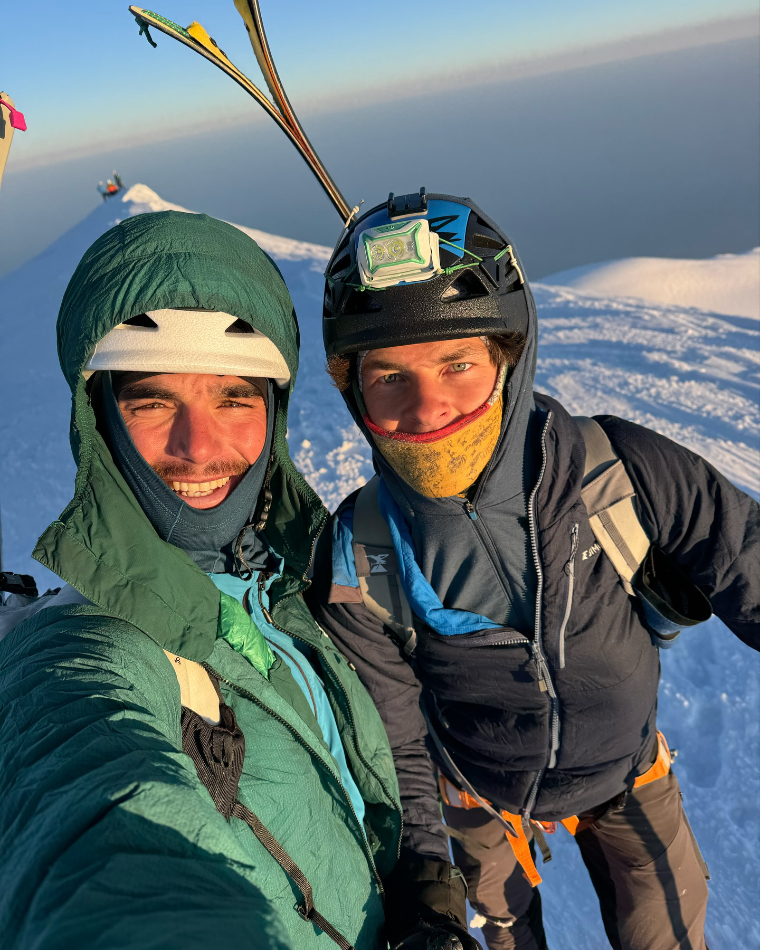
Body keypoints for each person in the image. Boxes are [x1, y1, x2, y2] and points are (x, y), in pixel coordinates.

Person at [0, 210, 471, 950]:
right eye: (152, 401)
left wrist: (421, 874)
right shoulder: (85, 649)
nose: (200, 447)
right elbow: (92, 806)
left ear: (274, 415)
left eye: (234, 398)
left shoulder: (304, 575)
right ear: (99, 419)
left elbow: (390, 733)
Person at [307, 190, 760, 950]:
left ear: (509, 358)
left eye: (457, 362)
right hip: (479, 801)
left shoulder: (618, 470)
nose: (428, 409)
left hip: (628, 774)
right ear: (355, 392)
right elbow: (395, 742)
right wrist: (424, 881)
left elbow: (746, 558)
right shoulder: (361, 550)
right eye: (390, 378)